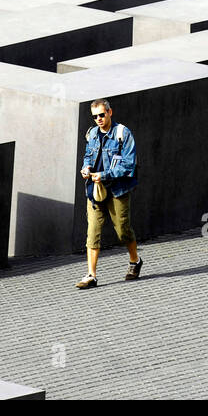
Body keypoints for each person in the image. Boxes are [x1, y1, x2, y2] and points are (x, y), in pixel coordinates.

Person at [76, 99, 142, 289]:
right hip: (95, 190)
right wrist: (86, 168)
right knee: (93, 232)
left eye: (101, 115)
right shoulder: (92, 134)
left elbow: (128, 166)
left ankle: (135, 261)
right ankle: (91, 275)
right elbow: (88, 155)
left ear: (110, 112)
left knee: (123, 231)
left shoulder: (123, 133)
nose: (98, 119)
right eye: (95, 116)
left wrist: (103, 175)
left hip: (117, 190)